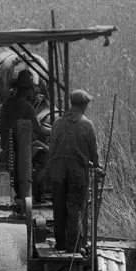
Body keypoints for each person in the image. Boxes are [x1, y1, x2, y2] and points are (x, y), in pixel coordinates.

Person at [48, 89, 100, 252]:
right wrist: (96, 166)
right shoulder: (86, 124)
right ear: (84, 105)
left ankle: (60, 243)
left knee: (59, 207)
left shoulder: (57, 122)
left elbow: (52, 148)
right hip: (77, 172)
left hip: (58, 171)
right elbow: (94, 153)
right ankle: (73, 246)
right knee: (74, 207)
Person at [0, 70, 49, 204]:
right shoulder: (27, 107)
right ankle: (41, 194)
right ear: (27, 90)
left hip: (5, 145)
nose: (33, 93)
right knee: (46, 154)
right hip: (22, 147)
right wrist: (53, 130)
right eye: (32, 90)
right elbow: (38, 130)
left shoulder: (7, 103)